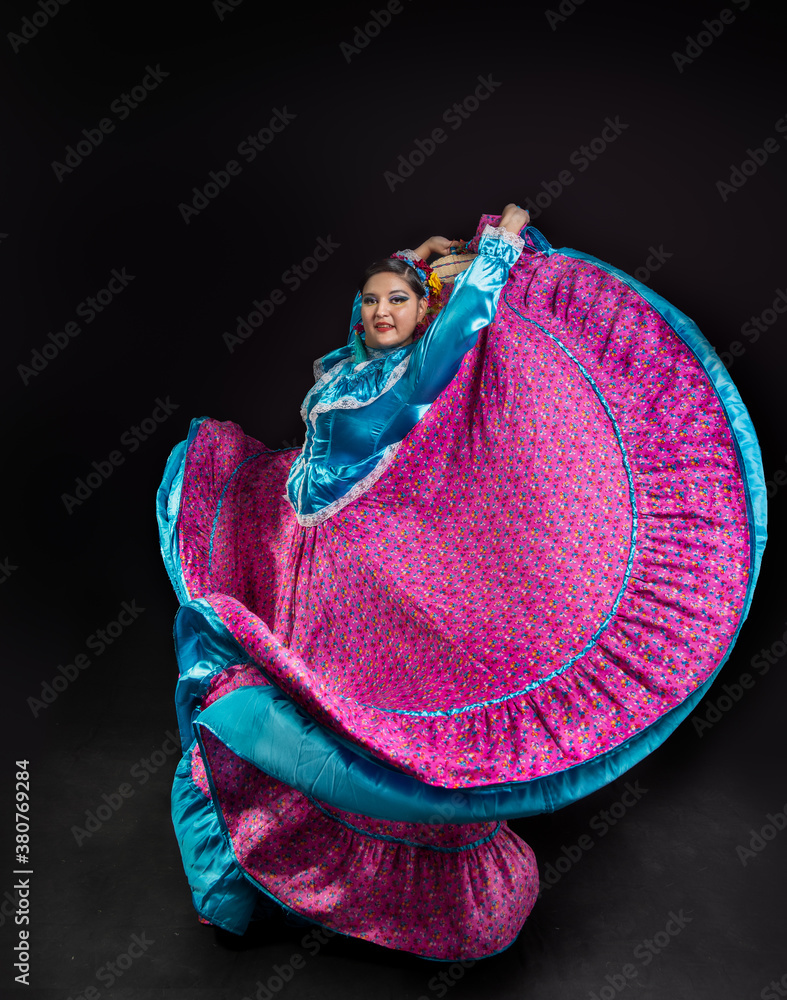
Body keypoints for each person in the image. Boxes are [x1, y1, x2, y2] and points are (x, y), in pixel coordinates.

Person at [157, 203, 766, 961]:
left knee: (350, 724)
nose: (381, 310)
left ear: (422, 315)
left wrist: (496, 255)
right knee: (292, 693)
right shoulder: (349, 372)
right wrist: (422, 259)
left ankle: (340, 881)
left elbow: (450, 342)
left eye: (398, 301)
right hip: (310, 569)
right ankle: (249, 876)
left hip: (360, 581)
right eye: (372, 299)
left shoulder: (410, 378)